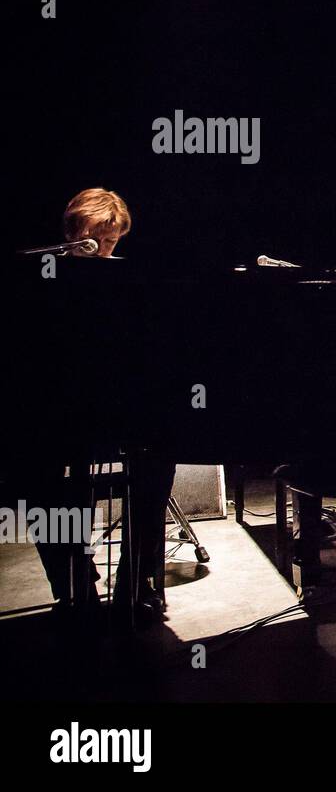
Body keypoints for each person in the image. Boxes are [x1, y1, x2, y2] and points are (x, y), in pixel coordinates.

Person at [29, 188, 175, 627]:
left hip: (119, 401)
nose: (104, 249)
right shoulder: (39, 277)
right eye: (95, 239)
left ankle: (137, 582)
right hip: (56, 405)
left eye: (112, 241)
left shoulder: (128, 281)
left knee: (160, 456)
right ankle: (72, 585)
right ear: (74, 232)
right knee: (35, 471)